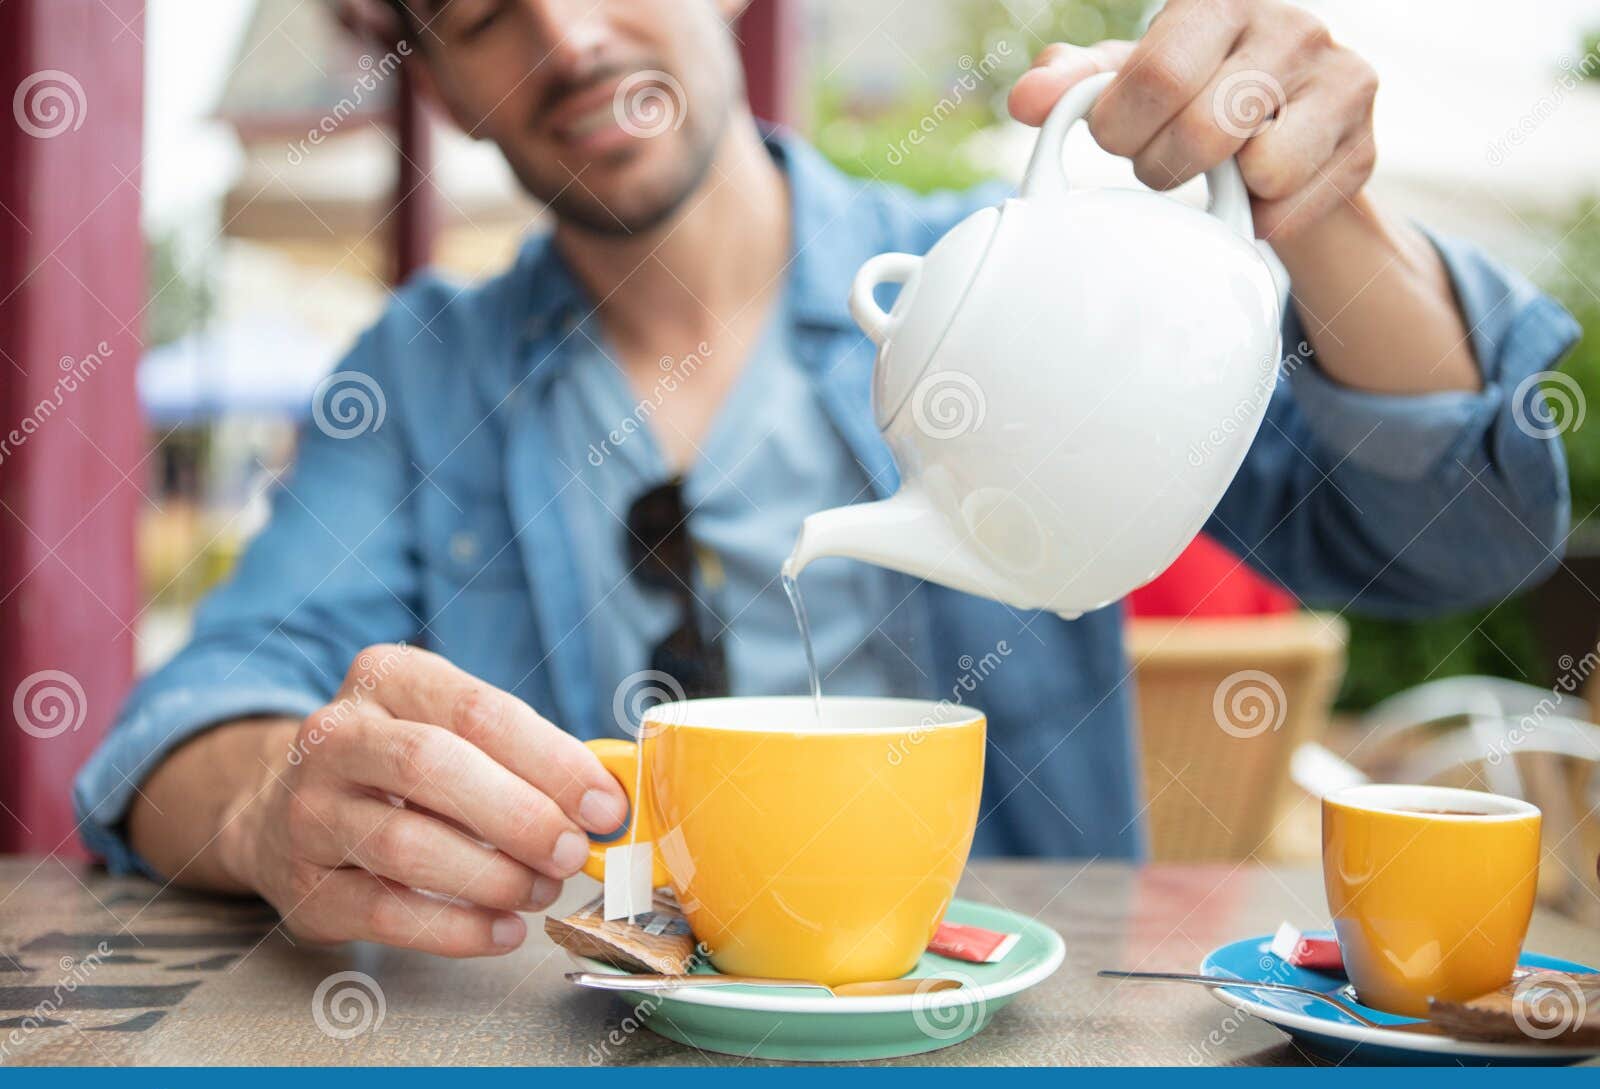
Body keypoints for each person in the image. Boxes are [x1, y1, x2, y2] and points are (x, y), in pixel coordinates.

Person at [78, 0, 1578, 958]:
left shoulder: (1021, 291)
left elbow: (1458, 537)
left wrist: (1319, 219)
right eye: (478, 13)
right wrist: (281, 800)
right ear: (443, 82)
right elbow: (189, 714)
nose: (569, 37)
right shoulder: (421, 379)